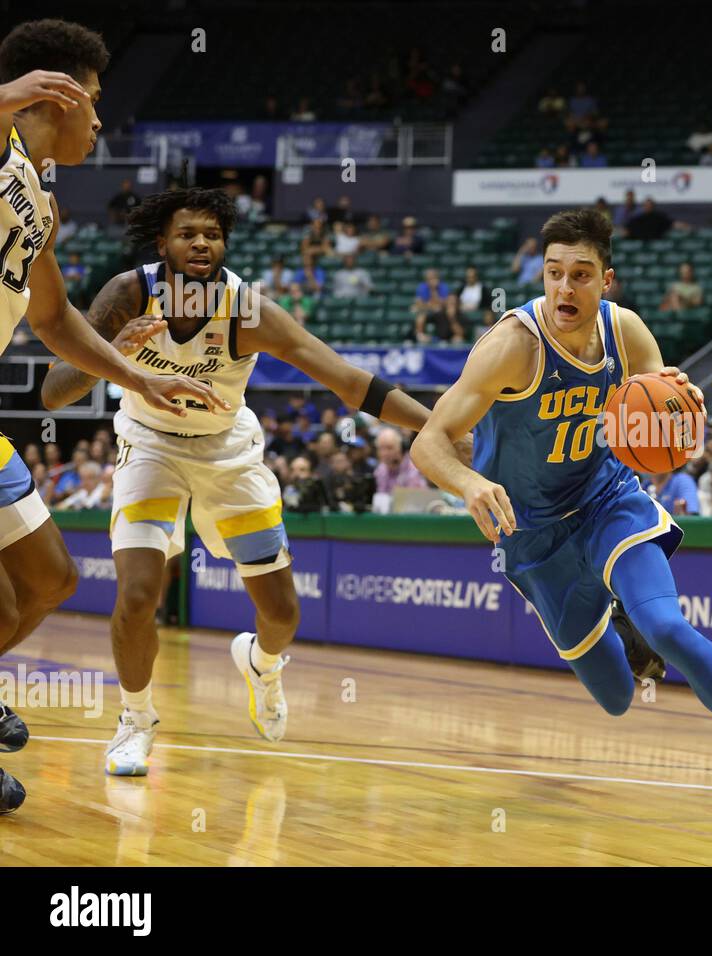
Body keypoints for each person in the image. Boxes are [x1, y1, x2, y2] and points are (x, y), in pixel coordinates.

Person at [408, 208, 712, 828]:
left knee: (669, 627)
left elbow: (663, 410)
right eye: (554, 273)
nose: (565, 289)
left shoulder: (627, 334)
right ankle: (620, 625)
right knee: (618, 698)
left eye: (581, 275)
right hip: (534, 535)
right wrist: (470, 483)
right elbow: (430, 441)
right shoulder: (512, 346)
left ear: (607, 280)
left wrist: (685, 403)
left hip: (605, 500)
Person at [41, 188, 434, 777]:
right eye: (187, 233)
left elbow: (349, 382)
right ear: (162, 243)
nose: (201, 243)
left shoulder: (248, 310)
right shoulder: (128, 293)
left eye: (213, 234)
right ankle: (135, 719)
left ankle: (262, 664)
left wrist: (438, 428)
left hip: (229, 453)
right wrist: (110, 353)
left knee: (281, 613)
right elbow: (53, 391)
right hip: (149, 446)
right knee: (139, 593)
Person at [0, 19, 225, 813]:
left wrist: (137, 374)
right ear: (50, 95)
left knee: (50, 578)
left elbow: (57, 324)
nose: (99, 120)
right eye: (90, 101)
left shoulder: (39, 199)